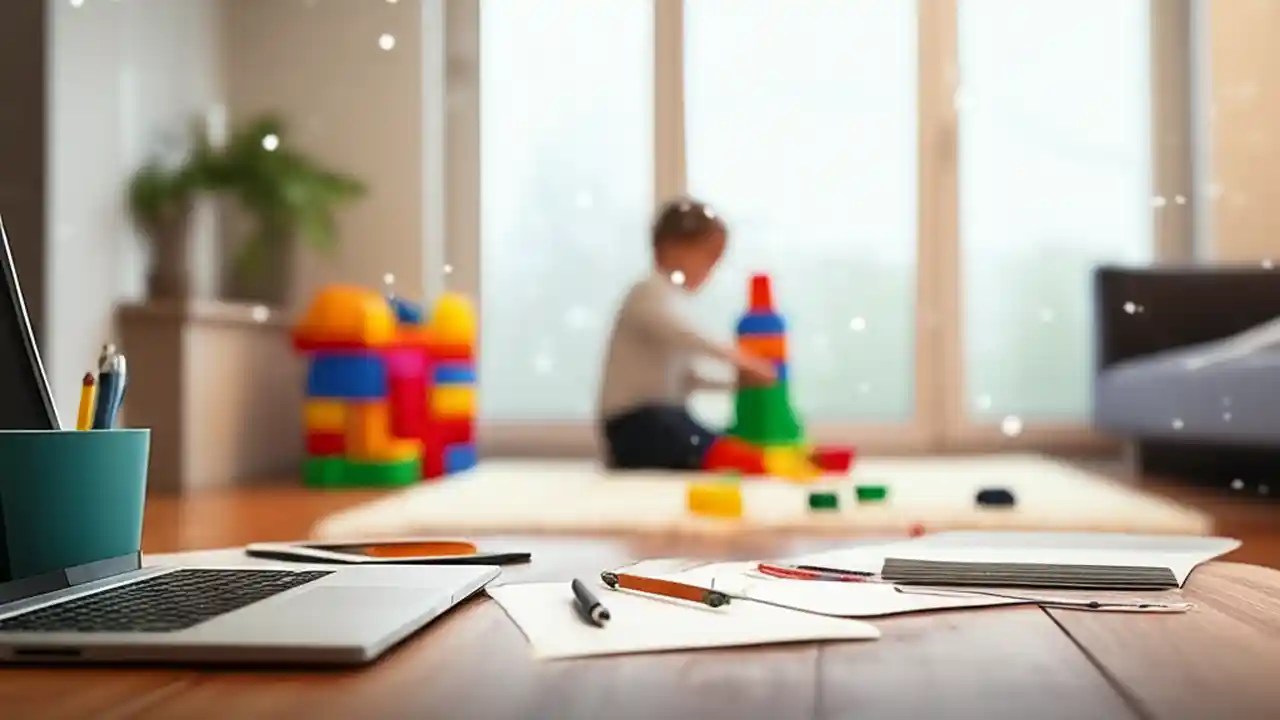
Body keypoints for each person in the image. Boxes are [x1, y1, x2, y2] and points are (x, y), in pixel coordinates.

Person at [597, 198, 775, 470]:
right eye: (709, 257)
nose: (711, 271)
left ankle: (725, 453)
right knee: (676, 432)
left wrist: (737, 382)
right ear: (673, 249)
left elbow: (687, 379)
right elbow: (685, 335)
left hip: (668, 415)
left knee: (695, 431)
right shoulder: (647, 292)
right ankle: (722, 456)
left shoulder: (673, 299)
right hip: (632, 423)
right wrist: (739, 358)